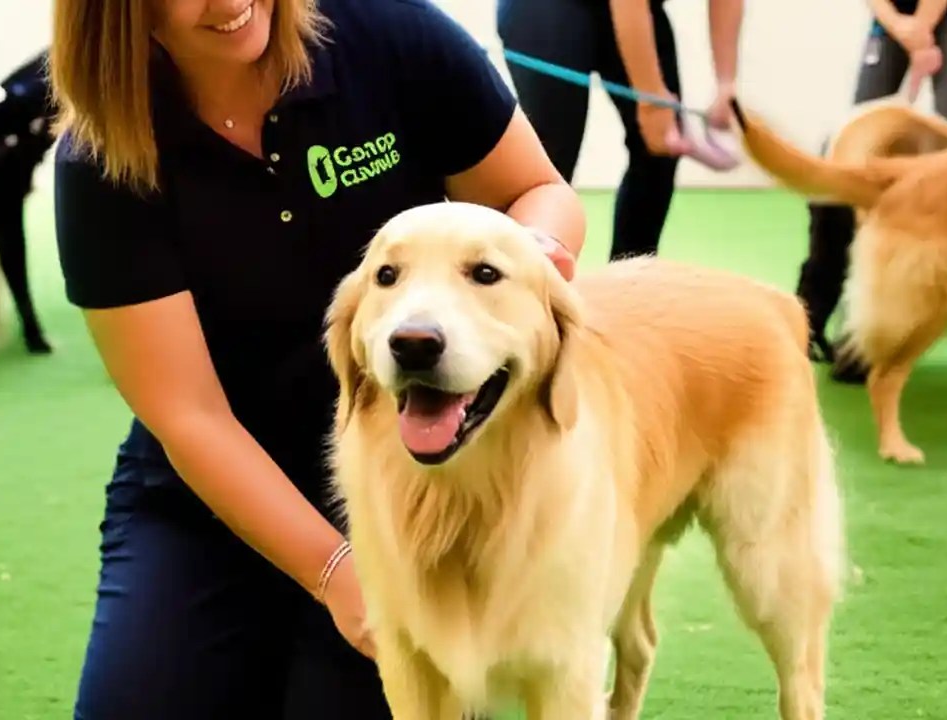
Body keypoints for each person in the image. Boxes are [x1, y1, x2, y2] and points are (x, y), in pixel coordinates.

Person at [46, 0, 586, 717]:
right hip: (211, 497)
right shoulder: (101, 159)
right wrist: (335, 574)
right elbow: (190, 416)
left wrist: (530, 260)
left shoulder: (389, 33)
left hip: (413, 488)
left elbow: (535, 191)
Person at [497, 0, 744, 261]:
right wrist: (651, 101)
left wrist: (726, 83)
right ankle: (526, 283)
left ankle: (632, 281)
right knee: (550, 159)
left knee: (660, 153)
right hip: (547, 8)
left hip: (638, 10)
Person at [797, 0, 947, 379]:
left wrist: (921, 26)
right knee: (847, 167)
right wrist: (899, 25)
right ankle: (830, 325)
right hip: (892, 16)